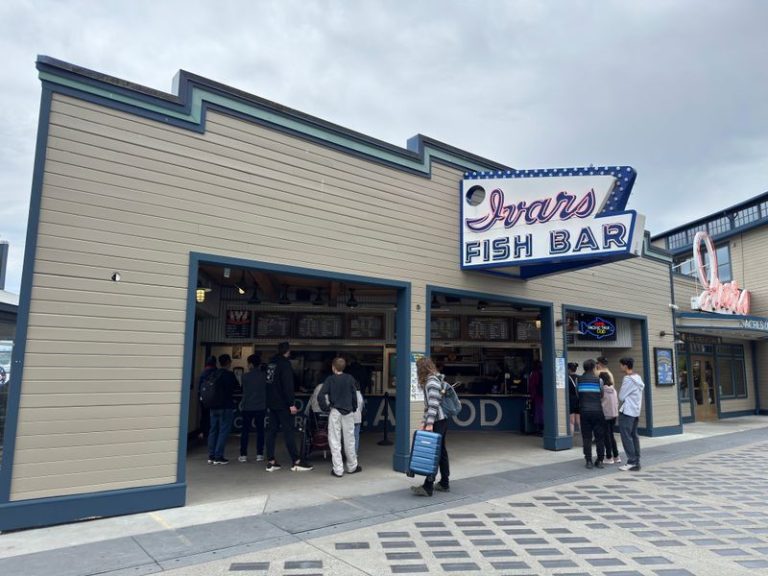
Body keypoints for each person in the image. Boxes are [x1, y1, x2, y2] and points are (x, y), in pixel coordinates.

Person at [265, 342, 313, 472]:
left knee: (271, 432)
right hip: (283, 404)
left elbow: (269, 383)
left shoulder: (271, 363)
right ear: (288, 351)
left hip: (271, 403)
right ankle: (296, 461)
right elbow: (288, 386)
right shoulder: (285, 364)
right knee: (288, 432)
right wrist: (291, 404)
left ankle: (271, 461)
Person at [411, 357, 450, 496]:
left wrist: (429, 424)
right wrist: (424, 420)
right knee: (441, 452)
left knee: (433, 453)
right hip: (440, 420)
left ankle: (428, 486)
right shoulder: (433, 379)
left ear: (422, 368)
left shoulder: (431, 381)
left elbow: (433, 404)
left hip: (437, 421)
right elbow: (430, 406)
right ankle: (444, 483)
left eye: (417, 368)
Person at [318, 356, 361, 477]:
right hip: (348, 412)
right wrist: (353, 407)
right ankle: (352, 466)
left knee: (334, 441)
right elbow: (354, 395)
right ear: (344, 367)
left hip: (335, 411)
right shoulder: (350, 378)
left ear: (333, 367)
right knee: (350, 440)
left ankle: (338, 470)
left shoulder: (330, 379)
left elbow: (321, 396)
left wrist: (326, 408)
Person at [207, 354, 238, 465]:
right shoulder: (229, 375)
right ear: (229, 362)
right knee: (223, 431)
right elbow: (237, 387)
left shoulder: (214, 373)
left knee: (213, 430)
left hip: (213, 406)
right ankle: (218, 456)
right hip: (226, 406)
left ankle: (211, 455)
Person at [238, 353, 267, 463]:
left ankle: (243, 454)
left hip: (247, 406)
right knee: (260, 431)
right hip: (260, 406)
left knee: (245, 431)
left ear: (250, 364)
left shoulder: (244, 376)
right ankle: (259, 454)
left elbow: (243, 390)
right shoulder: (264, 376)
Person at [577, 359, 605, 469]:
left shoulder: (579, 380)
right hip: (598, 411)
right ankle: (600, 460)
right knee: (599, 437)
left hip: (584, 411)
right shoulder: (599, 380)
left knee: (587, 437)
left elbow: (578, 394)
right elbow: (601, 395)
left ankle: (588, 461)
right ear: (593, 368)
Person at [618, 357, 644, 471]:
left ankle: (631, 461)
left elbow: (621, 396)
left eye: (621, 365)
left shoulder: (628, 379)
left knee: (626, 436)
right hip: (635, 411)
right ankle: (636, 460)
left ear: (625, 365)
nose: (620, 367)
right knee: (634, 436)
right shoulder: (638, 378)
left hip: (627, 411)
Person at [601, 370, 620, 464]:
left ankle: (609, 457)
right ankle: (616, 456)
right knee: (611, 435)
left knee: (606, 436)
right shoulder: (613, 390)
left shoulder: (602, 390)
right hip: (614, 415)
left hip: (605, 415)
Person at [197, 355, 217, 440]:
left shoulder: (203, 372)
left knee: (204, 415)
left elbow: (199, 387)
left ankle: (202, 432)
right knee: (212, 416)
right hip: (213, 398)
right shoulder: (216, 372)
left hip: (203, 399)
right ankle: (211, 433)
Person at [527, 360, 544, 434]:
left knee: (538, 412)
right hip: (544, 396)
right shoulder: (546, 373)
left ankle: (539, 429)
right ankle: (542, 428)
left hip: (537, 396)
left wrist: (532, 396)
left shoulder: (534, 374)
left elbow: (532, 386)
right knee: (542, 412)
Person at [567, 362, 580, 435]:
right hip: (579, 399)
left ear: (568, 369)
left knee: (571, 422)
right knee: (579, 421)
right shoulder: (580, 377)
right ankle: (584, 440)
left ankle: (570, 439)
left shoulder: (566, 378)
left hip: (571, 400)